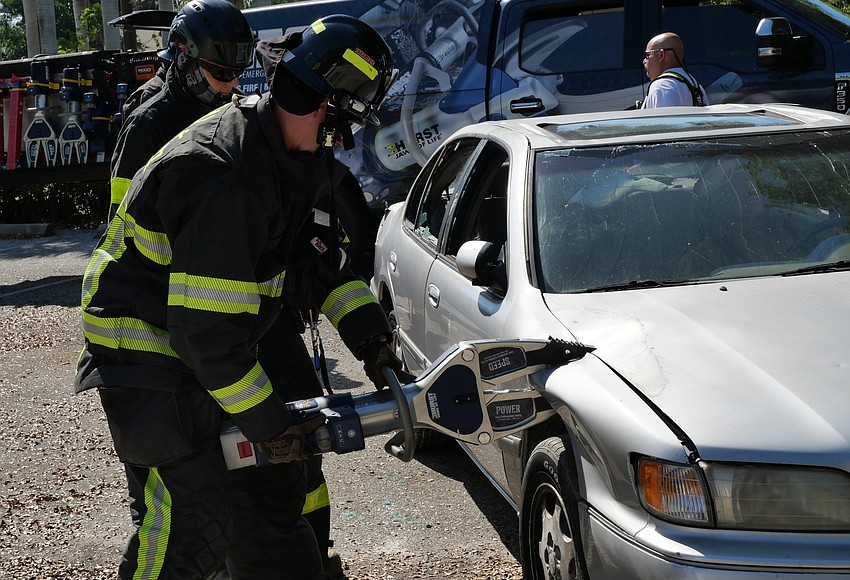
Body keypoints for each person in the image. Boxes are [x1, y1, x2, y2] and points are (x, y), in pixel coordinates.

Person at [75, 14, 400, 579]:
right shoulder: (226, 175)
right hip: (145, 351)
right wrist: (270, 424)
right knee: (190, 520)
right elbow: (207, 337)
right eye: (341, 125)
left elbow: (320, 265)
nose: (344, 142)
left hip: (204, 339)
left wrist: (373, 340)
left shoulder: (295, 160)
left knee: (272, 491)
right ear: (320, 105)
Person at [107, 0, 254, 222]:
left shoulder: (238, 109)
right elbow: (122, 220)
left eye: (238, 72)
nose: (233, 83)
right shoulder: (148, 124)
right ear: (186, 60)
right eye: (221, 73)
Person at [641, 32, 708, 108]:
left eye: (647, 55)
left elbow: (663, 119)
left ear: (661, 55)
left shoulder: (662, 86)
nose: (644, 61)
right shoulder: (695, 85)